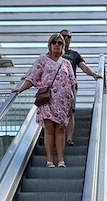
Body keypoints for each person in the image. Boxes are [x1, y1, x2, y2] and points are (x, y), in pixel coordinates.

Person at [12, 33, 76, 167]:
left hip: (63, 101)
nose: (57, 45)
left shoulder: (67, 63)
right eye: (54, 43)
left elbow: (72, 83)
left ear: (63, 46)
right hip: (48, 99)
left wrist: (71, 101)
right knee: (49, 128)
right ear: (50, 45)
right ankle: (49, 160)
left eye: (60, 43)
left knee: (60, 129)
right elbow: (32, 77)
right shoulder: (42, 60)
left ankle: (61, 159)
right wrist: (20, 89)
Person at [59, 30, 103, 146]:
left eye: (69, 37)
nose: (66, 38)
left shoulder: (74, 54)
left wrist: (94, 74)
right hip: (56, 88)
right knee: (58, 113)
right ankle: (59, 138)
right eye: (64, 36)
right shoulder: (54, 52)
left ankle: (68, 139)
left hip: (70, 87)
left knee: (70, 112)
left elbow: (84, 67)